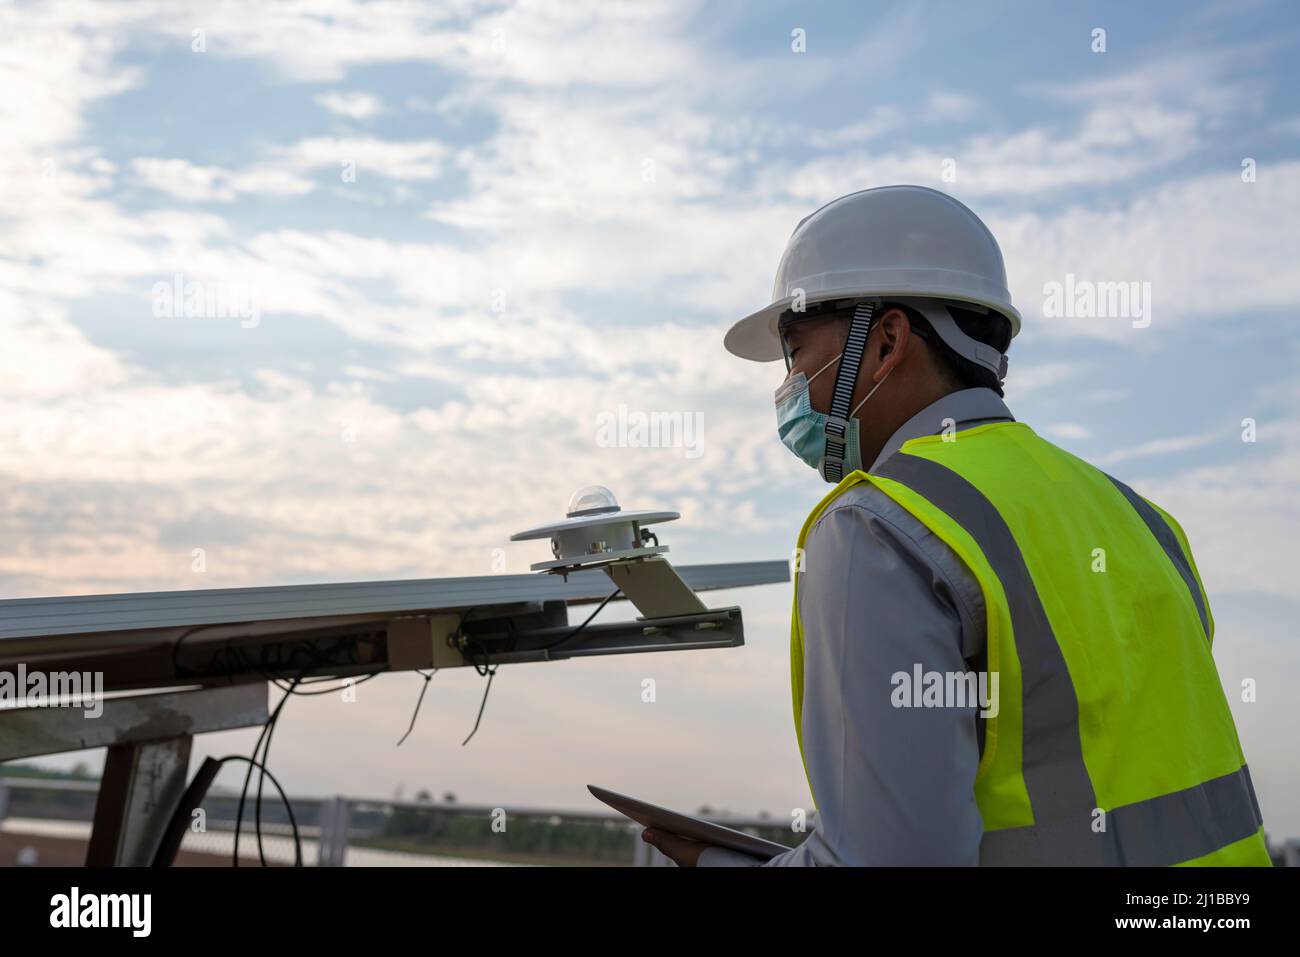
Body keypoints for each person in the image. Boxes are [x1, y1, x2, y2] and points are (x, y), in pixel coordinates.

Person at [642, 185, 1270, 866]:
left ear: (884, 342)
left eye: (796, 353)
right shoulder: (1142, 519)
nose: (790, 386)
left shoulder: (877, 529)